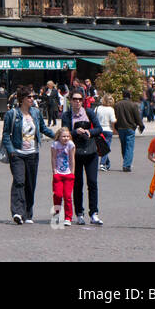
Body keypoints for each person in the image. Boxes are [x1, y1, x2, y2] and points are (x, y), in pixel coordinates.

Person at [2, 86, 54, 224]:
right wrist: (11, 151)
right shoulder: (12, 114)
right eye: (29, 97)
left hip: (33, 153)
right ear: (22, 99)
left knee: (30, 184)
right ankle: (17, 212)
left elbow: (43, 128)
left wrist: (58, 136)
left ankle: (28, 213)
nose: (32, 99)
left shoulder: (36, 113)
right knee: (19, 181)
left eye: (33, 97)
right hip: (17, 153)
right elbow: (6, 135)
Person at [63, 89, 103, 226]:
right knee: (77, 184)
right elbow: (64, 133)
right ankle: (79, 213)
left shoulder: (89, 112)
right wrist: (75, 132)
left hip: (91, 151)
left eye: (80, 99)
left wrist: (89, 131)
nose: (77, 102)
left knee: (92, 182)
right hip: (75, 152)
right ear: (70, 100)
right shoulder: (67, 115)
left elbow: (99, 128)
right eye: (74, 99)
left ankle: (94, 213)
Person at [51, 126, 76, 226]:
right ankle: (57, 214)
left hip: (68, 173)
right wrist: (54, 172)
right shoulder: (55, 145)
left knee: (67, 196)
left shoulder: (70, 144)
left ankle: (68, 217)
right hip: (58, 173)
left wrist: (72, 172)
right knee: (57, 195)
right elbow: (53, 158)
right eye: (63, 136)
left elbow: (72, 158)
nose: (66, 138)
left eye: (67, 136)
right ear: (59, 137)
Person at [114, 89, 144, 172]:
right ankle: (126, 165)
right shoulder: (133, 105)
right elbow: (137, 117)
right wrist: (141, 126)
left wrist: (116, 127)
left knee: (124, 146)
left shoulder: (117, 105)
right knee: (129, 147)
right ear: (129, 96)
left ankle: (126, 161)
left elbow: (115, 117)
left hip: (120, 128)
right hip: (130, 127)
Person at [94, 93, 116, 172]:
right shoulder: (111, 109)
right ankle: (102, 163)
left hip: (99, 129)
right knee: (106, 148)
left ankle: (107, 163)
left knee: (101, 147)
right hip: (108, 129)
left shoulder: (98, 108)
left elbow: (94, 118)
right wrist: (114, 129)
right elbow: (113, 121)